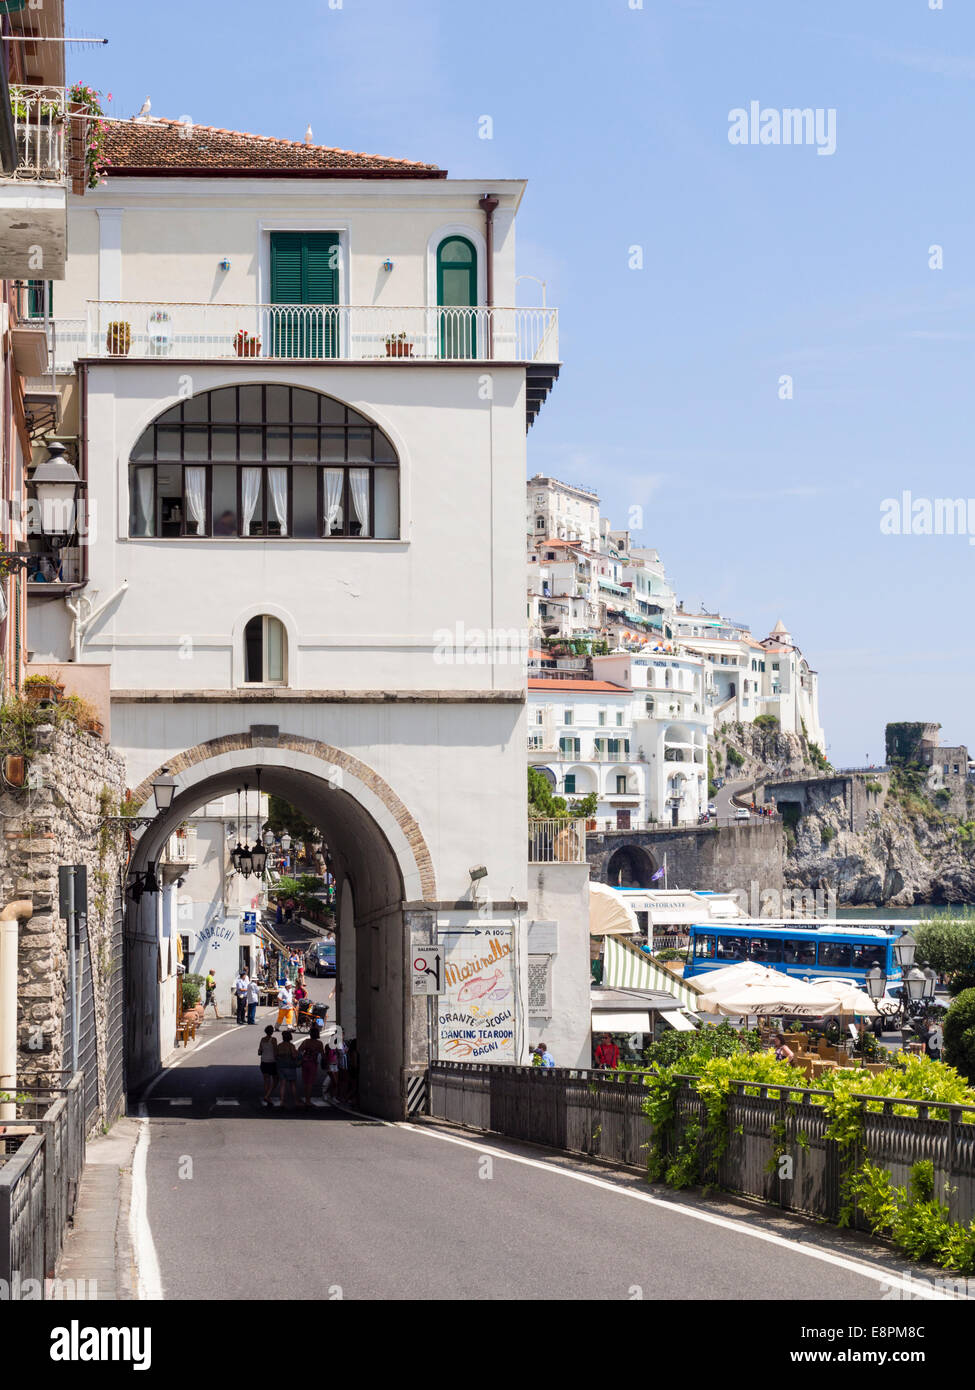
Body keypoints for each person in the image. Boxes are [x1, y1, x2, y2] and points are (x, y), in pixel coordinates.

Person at [298, 1026, 326, 1108]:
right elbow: (323, 1055)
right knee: (310, 1082)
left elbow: (299, 1049)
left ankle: (306, 1098)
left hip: (304, 1062)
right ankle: (308, 1100)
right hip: (313, 1063)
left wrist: (305, 1054)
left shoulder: (306, 1042)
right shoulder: (319, 1043)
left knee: (306, 1081)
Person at [275, 1030, 299, 1108]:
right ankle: (295, 1101)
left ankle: (282, 1101)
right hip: (290, 1067)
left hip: (281, 1066)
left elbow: (276, 1055)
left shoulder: (279, 1046)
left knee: (282, 1084)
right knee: (293, 1084)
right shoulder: (291, 1046)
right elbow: (294, 1056)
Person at [258, 1025, 278, 1106]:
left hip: (263, 1062)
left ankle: (267, 1096)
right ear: (272, 1032)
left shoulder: (262, 1039)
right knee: (276, 1080)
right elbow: (275, 1051)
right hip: (272, 1062)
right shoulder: (273, 1040)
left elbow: (260, 1051)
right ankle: (267, 1096)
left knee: (266, 1080)